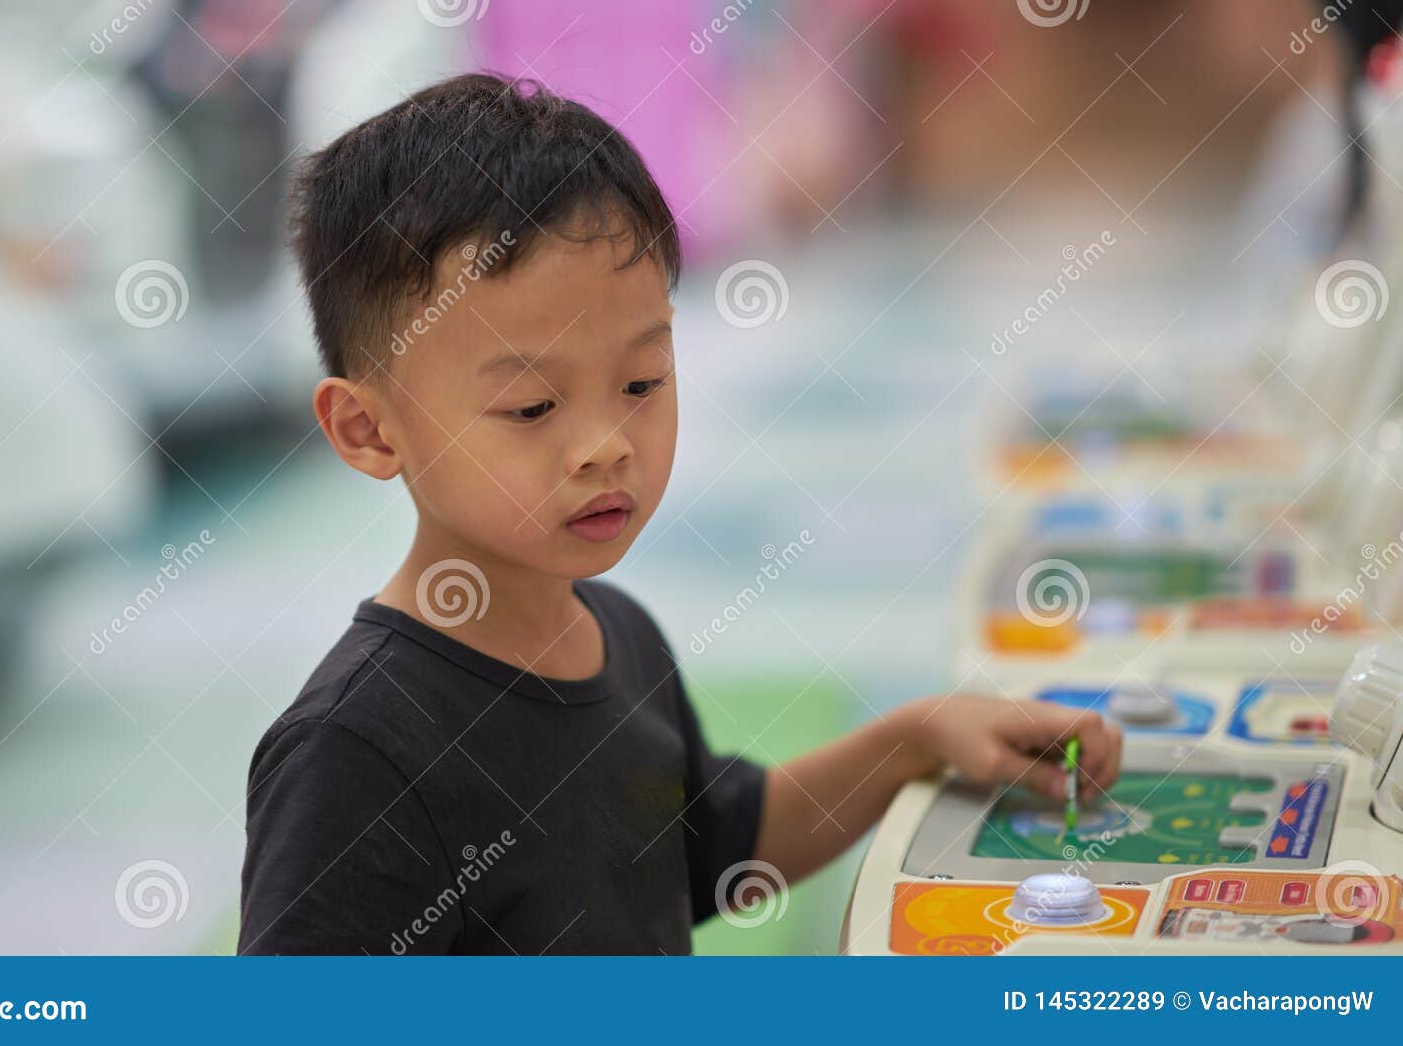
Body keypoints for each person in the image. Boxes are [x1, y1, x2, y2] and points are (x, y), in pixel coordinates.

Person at [236, 74, 1123, 955]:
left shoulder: (617, 633)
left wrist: (916, 738)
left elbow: (712, 851)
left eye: (640, 384)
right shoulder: (354, 754)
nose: (606, 445)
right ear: (367, 429)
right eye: (534, 407)